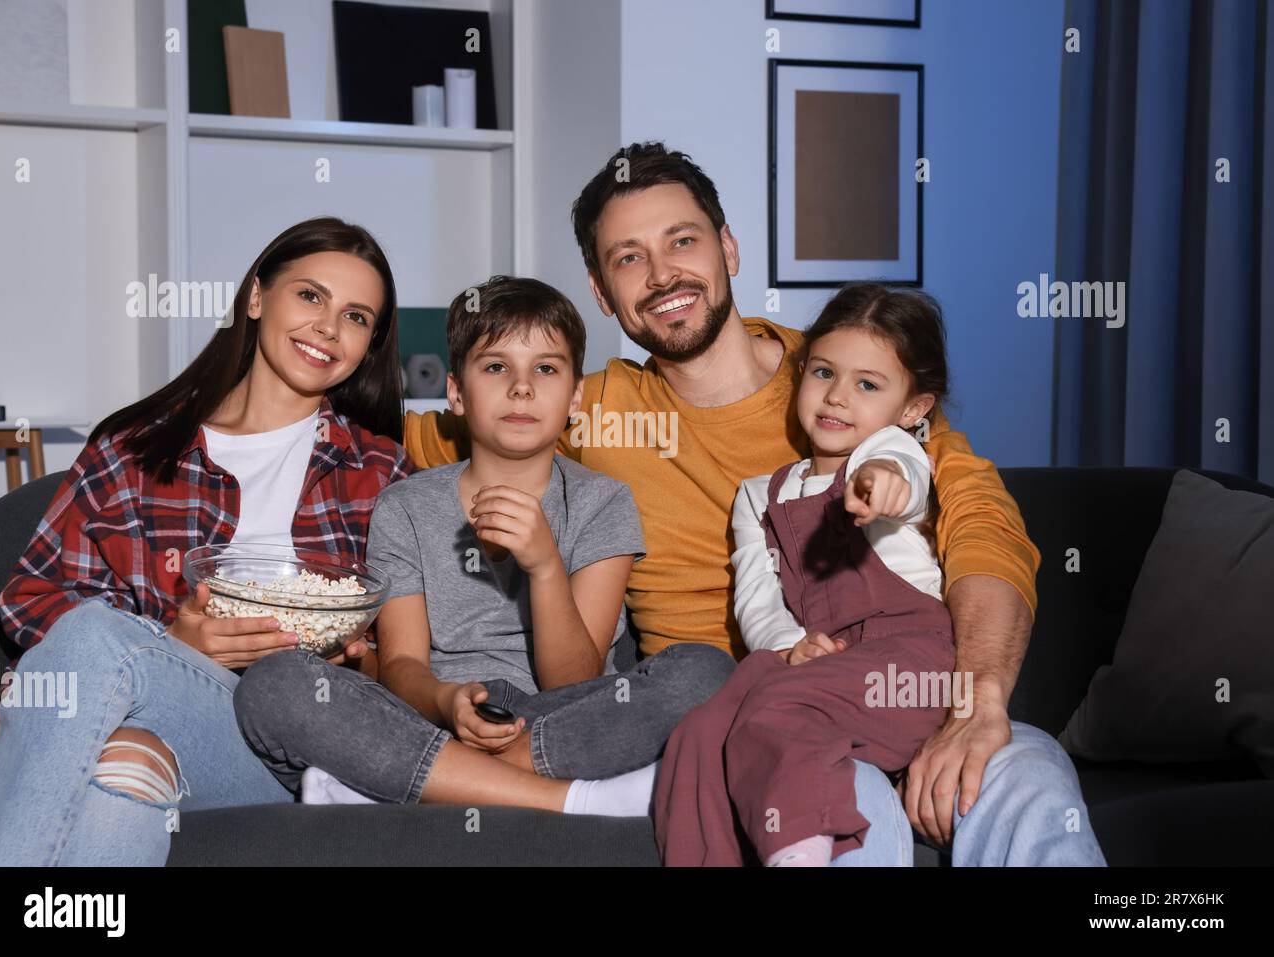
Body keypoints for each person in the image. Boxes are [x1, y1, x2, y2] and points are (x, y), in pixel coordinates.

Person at [402, 142, 1106, 866]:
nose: (662, 274)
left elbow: (986, 533)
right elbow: (401, 432)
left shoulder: (848, 374)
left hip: (908, 692)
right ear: (601, 292)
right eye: (629, 258)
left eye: (682, 240)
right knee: (843, 815)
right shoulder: (586, 409)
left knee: (1032, 780)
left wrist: (977, 706)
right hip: (757, 726)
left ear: (728, 247)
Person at [0, 217, 411, 866]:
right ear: (256, 297)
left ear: (369, 343)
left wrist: (355, 658)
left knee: (98, 644)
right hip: (143, 712)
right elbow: (30, 597)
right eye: (310, 296)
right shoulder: (134, 451)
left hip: (292, 746)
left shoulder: (380, 471)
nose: (327, 327)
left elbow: (412, 654)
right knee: (123, 766)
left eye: (355, 317)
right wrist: (169, 641)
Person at [233, 276, 733, 815]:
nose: (521, 388)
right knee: (276, 683)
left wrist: (545, 567)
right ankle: (568, 797)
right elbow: (402, 666)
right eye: (496, 367)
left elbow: (574, 677)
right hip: (436, 718)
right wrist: (445, 701)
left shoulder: (603, 502)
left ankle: (432, 779)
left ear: (575, 397)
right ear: (456, 393)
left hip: (562, 717)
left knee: (706, 671)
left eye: (546, 369)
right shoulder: (405, 505)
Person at [654, 282, 959, 866]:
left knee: (780, 707)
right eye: (823, 373)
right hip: (820, 666)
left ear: (912, 409)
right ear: (801, 375)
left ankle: (798, 855)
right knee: (701, 732)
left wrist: (883, 485)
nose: (837, 397)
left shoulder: (890, 456)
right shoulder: (757, 495)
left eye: (868, 385)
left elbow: (901, 470)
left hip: (912, 668)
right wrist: (790, 645)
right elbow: (758, 596)